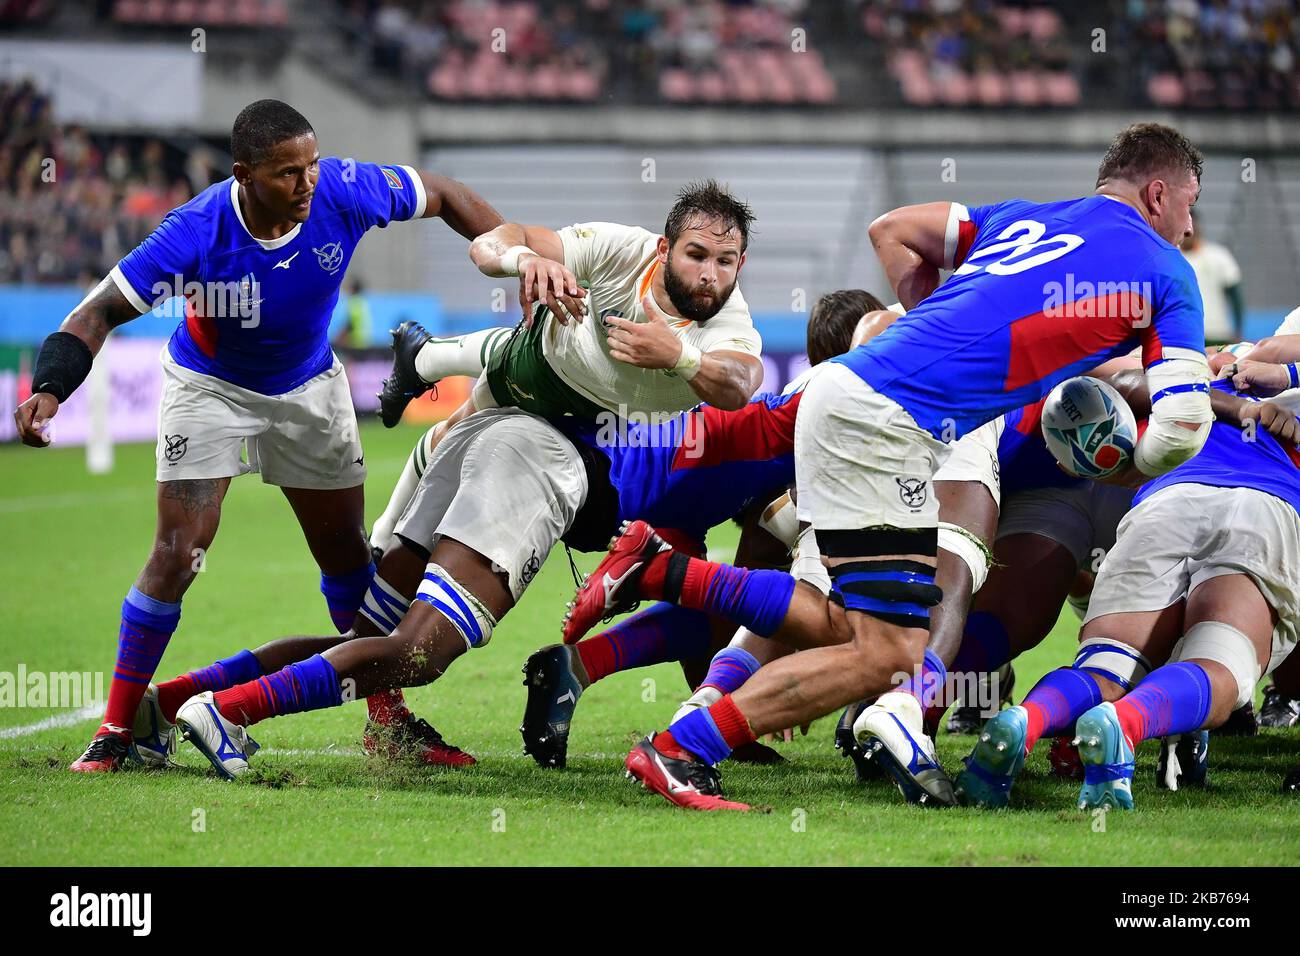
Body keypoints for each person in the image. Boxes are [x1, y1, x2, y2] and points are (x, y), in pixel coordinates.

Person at [567, 122, 1219, 812]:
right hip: (890, 424)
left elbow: (891, 229)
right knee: (888, 652)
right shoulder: (1164, 267)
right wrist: (1128, 464)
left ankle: (673, 607)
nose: (1188, 224)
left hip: (860, 399)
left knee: (872, 637)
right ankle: (682, 746)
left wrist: (934, 321)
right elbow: (1182, 423)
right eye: (1189, 204)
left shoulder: (1023, 218)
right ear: (1157, 195)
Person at [11, 99, 505, 773]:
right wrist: (50, 387)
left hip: (308, 389)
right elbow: (97, 311)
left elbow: (445, 193)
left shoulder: (342, 190)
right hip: (209, 388)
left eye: (312, 165)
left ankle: (386, 723)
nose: (307, 184)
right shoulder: (195, 232)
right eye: (286, 173)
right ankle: (118, 730)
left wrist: (518, 258)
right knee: (179, 549)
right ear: (243, 174)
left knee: (345, 557)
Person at [957, 367, 1300, 810]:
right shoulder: (1278, 400)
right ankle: (1125, 722)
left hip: (1164, 502)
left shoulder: (1203, 377)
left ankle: (1025, 718)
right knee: (1223, 665)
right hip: (1262, 506)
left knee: (1106, 664)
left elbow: (1122, 383)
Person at [376, 179, 765, 435]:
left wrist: (682, 357)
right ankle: (378, 543)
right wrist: (526, 260)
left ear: (741, 264)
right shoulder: (621, 247)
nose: (709, 275)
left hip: (620, 423)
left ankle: (422, 356)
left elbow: (740, 386)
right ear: (663, 249)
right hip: (554, 362)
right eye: (696, 255)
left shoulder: (732, 318)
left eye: (725, 261)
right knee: (456, 430)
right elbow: (491, 242)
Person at [1180, 210, 1244, 345]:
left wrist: (1238, 329)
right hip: (1184, 335)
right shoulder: (1170, 257)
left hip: (1217, 333)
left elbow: (1235, 296)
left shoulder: (1218, 255)